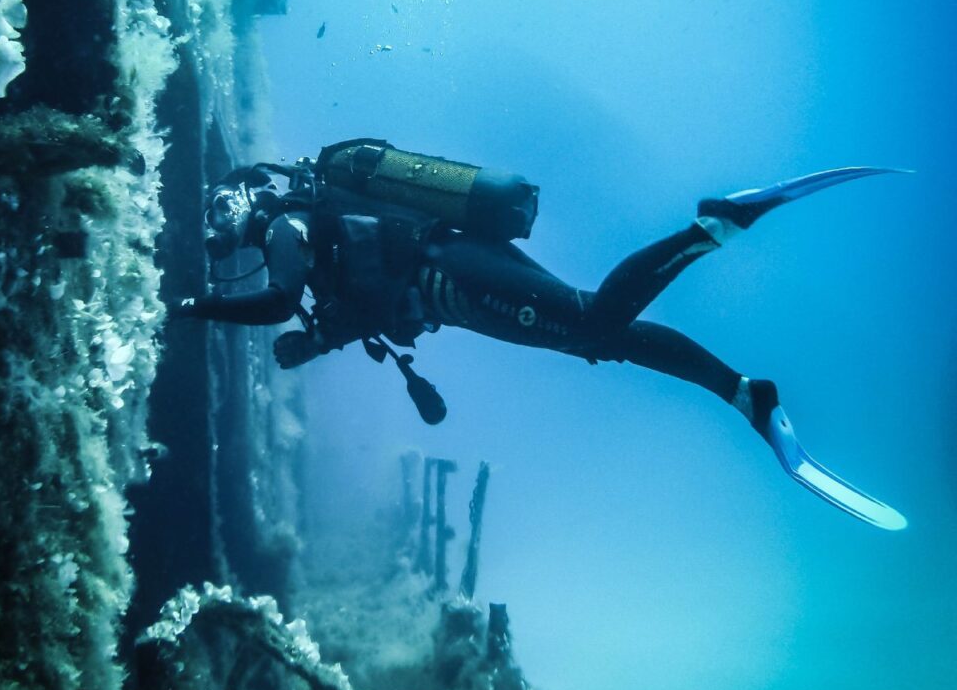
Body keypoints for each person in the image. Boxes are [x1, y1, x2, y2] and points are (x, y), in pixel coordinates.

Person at [174, 142, 907, 530]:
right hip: (454, 283)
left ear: (242, 206)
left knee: (588, 320)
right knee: (595, 336)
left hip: (453, 276)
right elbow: (350, 297)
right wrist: (322, 338)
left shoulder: (282, 228)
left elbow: (275, 304)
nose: (230, 241)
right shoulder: (303, 228)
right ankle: (745, 394)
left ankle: (713, 225)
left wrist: (194, 308)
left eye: (223, 227)